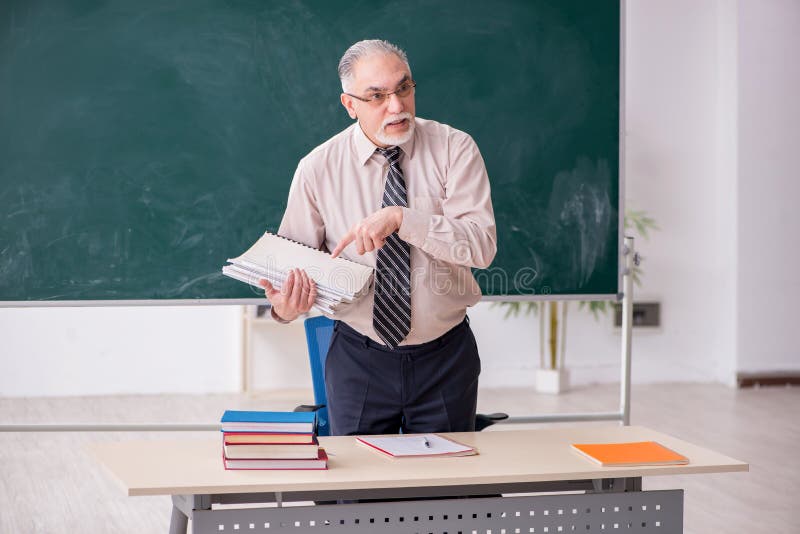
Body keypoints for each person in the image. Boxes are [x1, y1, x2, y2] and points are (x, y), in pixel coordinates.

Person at [261, 39, 496, 436]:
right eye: (377, 96)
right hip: (358, 357)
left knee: (445, 489)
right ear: (350, 105)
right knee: (356, 491)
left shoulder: (455, 149)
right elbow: (291, 272)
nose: (397, 106)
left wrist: (403, 218)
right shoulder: (317, 169)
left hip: (446, 355)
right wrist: (285, 308)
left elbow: (481, 246)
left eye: (404, 88)